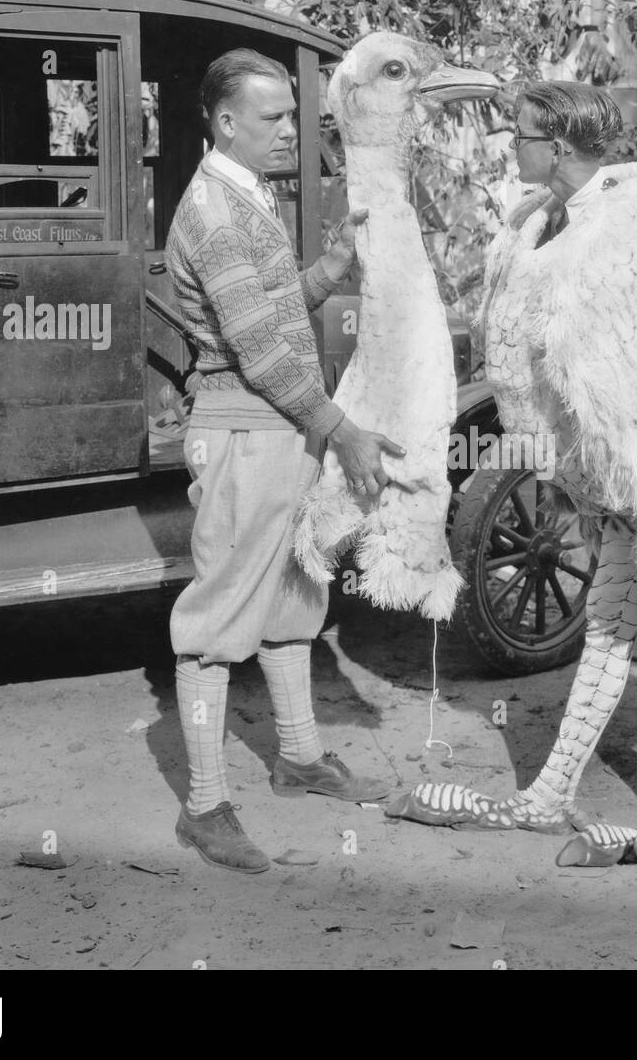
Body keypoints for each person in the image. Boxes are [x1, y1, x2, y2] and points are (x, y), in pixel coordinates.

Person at [165, 48, 404, 874]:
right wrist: (340, 429)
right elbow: (259, 347)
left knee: (293, 595)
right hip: (244, 428)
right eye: (271, 118)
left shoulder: (245, 193)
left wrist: (327, 271)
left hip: (279, 426)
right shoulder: (214, 209)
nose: (288, 131)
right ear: (226, 122)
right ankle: (203, 807)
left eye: (290, 115)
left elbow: (266, 308)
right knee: (219, 616)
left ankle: (298, 758)